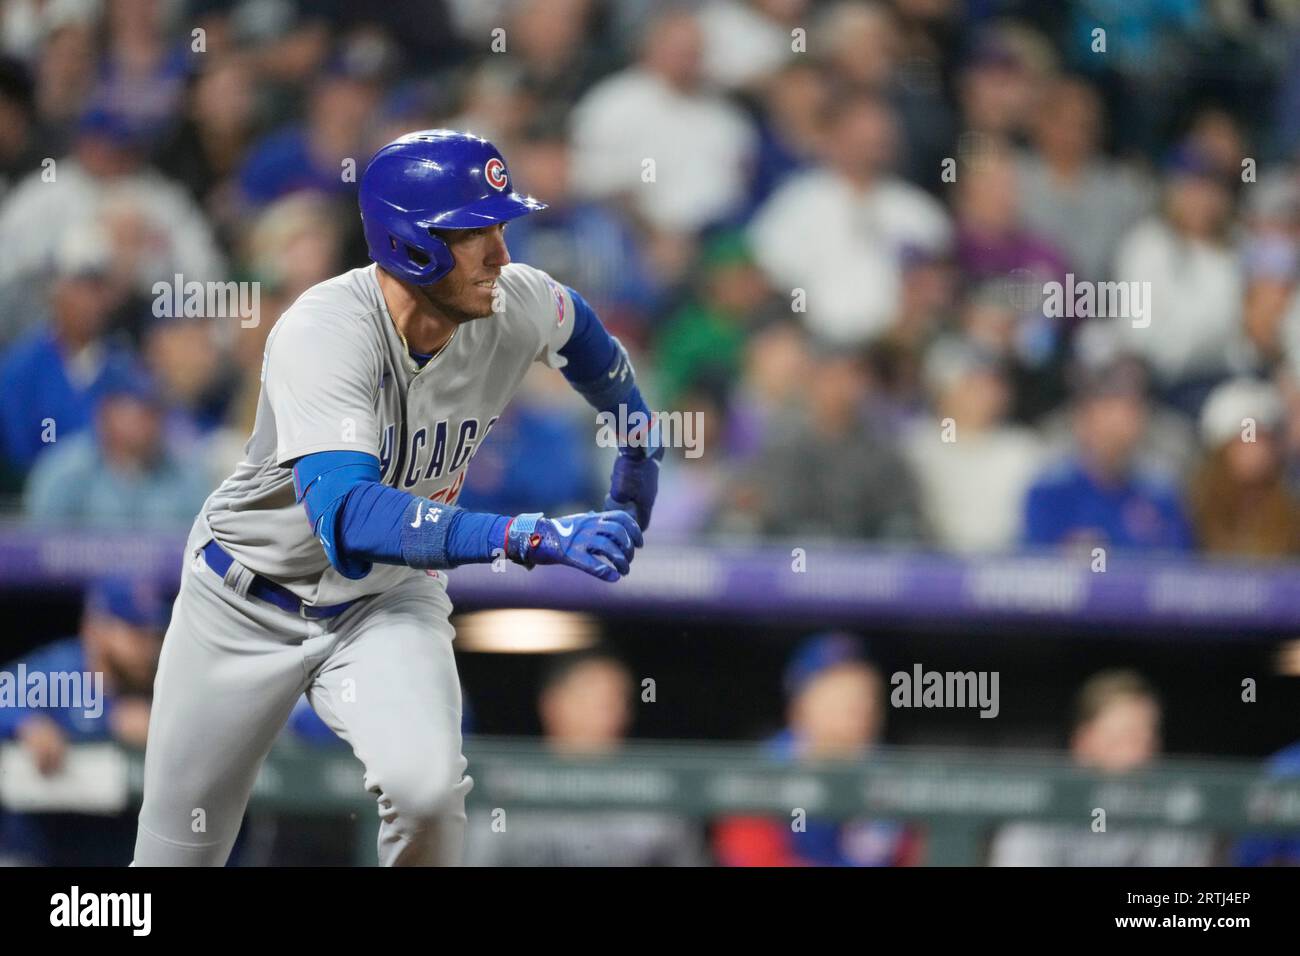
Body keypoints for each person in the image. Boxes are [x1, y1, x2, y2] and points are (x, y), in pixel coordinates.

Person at [132, 130, 659, 867]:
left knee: (428, 796)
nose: (501, 255)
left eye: (501, 228)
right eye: (476, 234)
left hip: (384, 603)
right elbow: (349, 515)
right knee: (174, 861)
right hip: (242, 603)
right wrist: (529, 537)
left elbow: (595, 350)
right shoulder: (324, 330)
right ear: (415, 245)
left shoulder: (518, 301)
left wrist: (639, 444)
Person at [465, 649, 708, 866]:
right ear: (553, 704)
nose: (612, 717)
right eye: (597, 702)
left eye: (618, 703)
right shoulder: (506, 786)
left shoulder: (653, 791)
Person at [713, 633, 922, 866]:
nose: (859, 707)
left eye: (867, 695)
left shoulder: (891, 774)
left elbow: (923, 854)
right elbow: (750, 857)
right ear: (800, 704)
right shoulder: (764, 770)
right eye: (841, 694)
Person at [0, 577, 166, 866]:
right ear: (95, 631)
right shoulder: (61, 671)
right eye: (135, 632)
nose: (148, 647)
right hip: (40, 853)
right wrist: (27, 723)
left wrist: (165, 733)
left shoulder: (164, 680)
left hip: (124, 855)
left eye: (154, 635)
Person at [989, 670, 1216, 867]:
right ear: (1083, 742)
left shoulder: (1175, 811)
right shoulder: (1041, 808)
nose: (1140, 754)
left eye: (1147, 739)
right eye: (1126, 737)